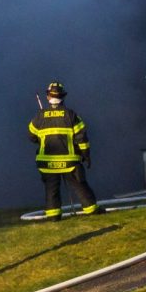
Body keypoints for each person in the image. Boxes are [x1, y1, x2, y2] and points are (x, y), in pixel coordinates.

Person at [28, 81, 98, 219]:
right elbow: (82, 138)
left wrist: (42, 139)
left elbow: (31, 136)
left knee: (51, 190)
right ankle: (92, 210)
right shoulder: (71, 116)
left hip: (47, 163)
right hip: (70, 163)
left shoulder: (39, 117)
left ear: (48, 97)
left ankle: (54, 216)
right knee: (80, 186)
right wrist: (86, 155)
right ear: (63, 96)